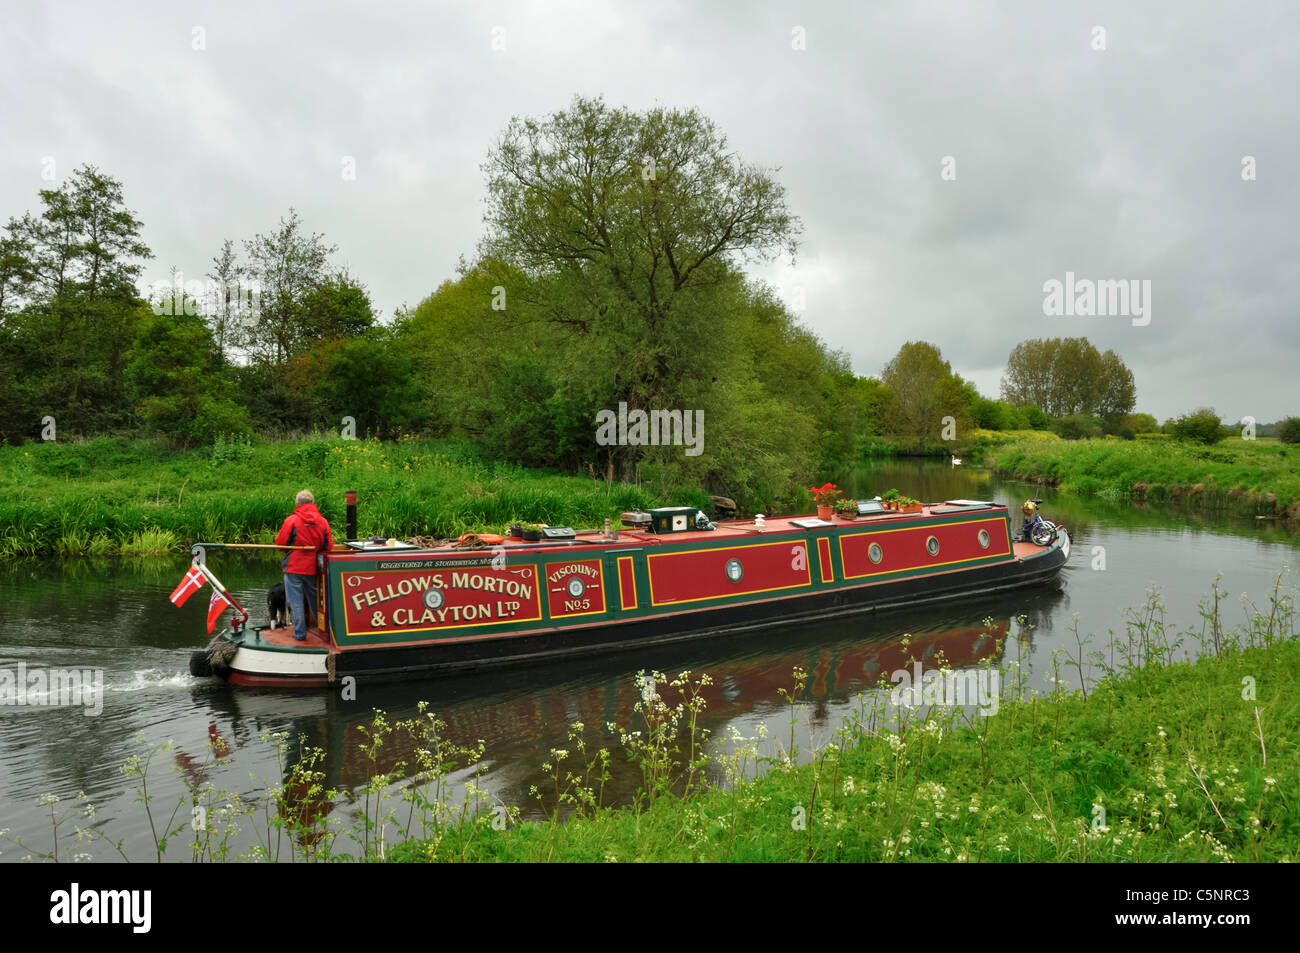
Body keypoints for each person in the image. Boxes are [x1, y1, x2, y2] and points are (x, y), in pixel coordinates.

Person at [275, 489, 333, 641]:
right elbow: (328, 546)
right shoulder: (323, 521)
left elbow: (281, 544)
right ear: (313, 503)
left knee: (296, 601)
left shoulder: (291, 520)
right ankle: (325, 631)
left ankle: (300, 634)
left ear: (297, 503)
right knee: (316, 601)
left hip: (294, 567)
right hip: (313, 567)